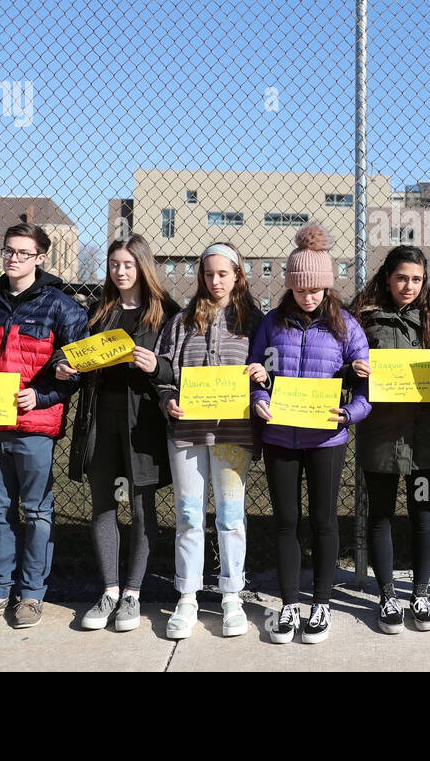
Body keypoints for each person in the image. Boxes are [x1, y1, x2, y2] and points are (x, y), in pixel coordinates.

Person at [0, 222, 88, 628]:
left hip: (32, 424)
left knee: (38, 511)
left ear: (41, 258)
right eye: (9, 250)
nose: (14, 258)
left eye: (24, 253)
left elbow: (74, 370)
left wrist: (41, 396)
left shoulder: (62, 306)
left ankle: (31, 595)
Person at [249, 223, 369, 644]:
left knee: (323, 520)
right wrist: (257, 393)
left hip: (326, 438)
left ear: (328, 287)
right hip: (280, 437)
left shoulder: (346, 326)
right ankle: (287, 603)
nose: (310, 297)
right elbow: (255, 373)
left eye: (317, 289)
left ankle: (321, 602)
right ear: (290, 287)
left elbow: (367, 383)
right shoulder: (271, 324)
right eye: (301, 290)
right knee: (285, 521)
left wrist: (350, 412)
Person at [62, 235, 178, 633]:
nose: (121, 271)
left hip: (142, 424)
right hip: (100, 420)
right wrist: (67, 368)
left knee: (144, 510)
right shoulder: (100, 310)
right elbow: (76, 355)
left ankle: (133, 593)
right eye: (114, 264)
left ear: (142, 266)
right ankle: (109, 590)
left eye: (128, 264)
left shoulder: (166, 313)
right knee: (103, 505)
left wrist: (157, 366)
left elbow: (180, 371)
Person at [154, 241, 263, 640]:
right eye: (208, 273)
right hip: (188, 433)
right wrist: (169, 401)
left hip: (233, 433)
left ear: (237, 275)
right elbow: (164, 373)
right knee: (188, 515)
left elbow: (268, 368)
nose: (215, 281)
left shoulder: (253, 321)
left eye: (223, 273)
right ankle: (187, 595)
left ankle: (232, 594)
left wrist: (258, 376)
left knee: (231, 517)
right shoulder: (183, 321)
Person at [349, 245, 430, 634]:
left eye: (416, 279)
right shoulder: (361, 315)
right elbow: (343, 366)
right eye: (401, 278)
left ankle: (421, 593)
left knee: (423, 512)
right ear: (387, 277)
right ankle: (387, 595)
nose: (409, 286)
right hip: (380, 434)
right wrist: (354, 369)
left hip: (424, 434)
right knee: (380, 514)